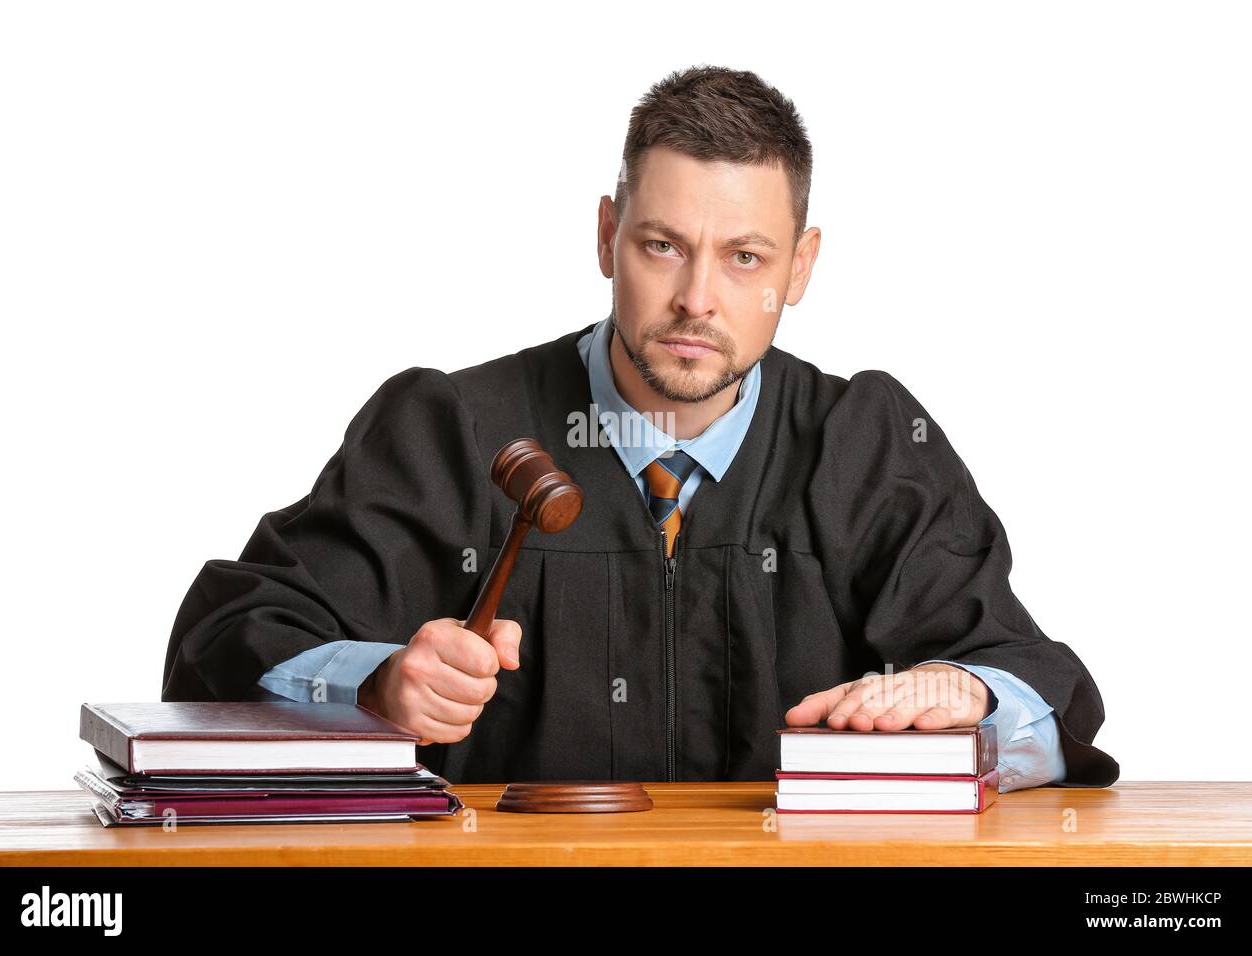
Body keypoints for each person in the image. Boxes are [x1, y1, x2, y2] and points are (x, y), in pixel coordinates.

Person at [163, 65, 1118, 790]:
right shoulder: (453, 432)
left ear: (801, 267)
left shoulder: (860, 445)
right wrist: (378, 689)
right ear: (607, 235)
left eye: (746, 257)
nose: (697, 299)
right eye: (663, 246)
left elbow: (1032, 686)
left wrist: (971, 699)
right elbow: (234, 643)